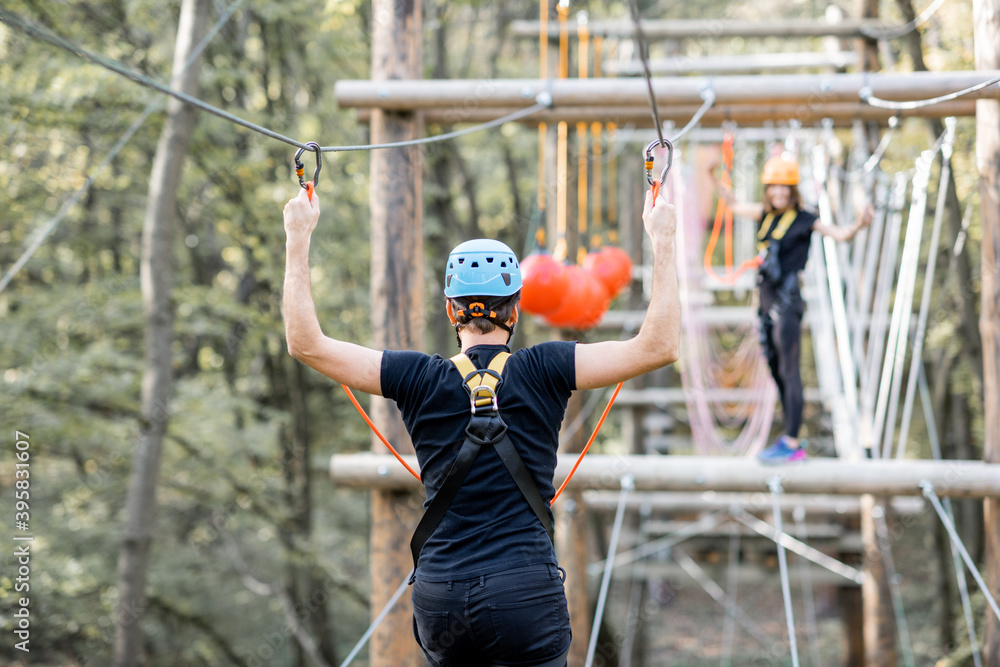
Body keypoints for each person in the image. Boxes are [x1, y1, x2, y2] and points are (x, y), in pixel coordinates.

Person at [281, 185, 680, 666]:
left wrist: (298, 235)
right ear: (515, 308)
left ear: (452, 310)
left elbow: (306, 343)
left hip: (441, 595)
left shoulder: (416, 377)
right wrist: (663, 239)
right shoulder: (547, 367)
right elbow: (658, 346)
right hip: (524, 594)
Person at [709, 155, 872, 464]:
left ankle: (793, 440)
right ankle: (789, 438)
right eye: (775, 188)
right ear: (768, 190)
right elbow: (731, 204)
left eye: (785, 188)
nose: (780, 193)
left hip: (787, 302)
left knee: (789, 368)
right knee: (774, 367)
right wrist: (711, 175)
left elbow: (839, 234)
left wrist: (858, 225)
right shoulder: (765, 215)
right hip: (767, 305)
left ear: (793, 190)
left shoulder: (805, 218)